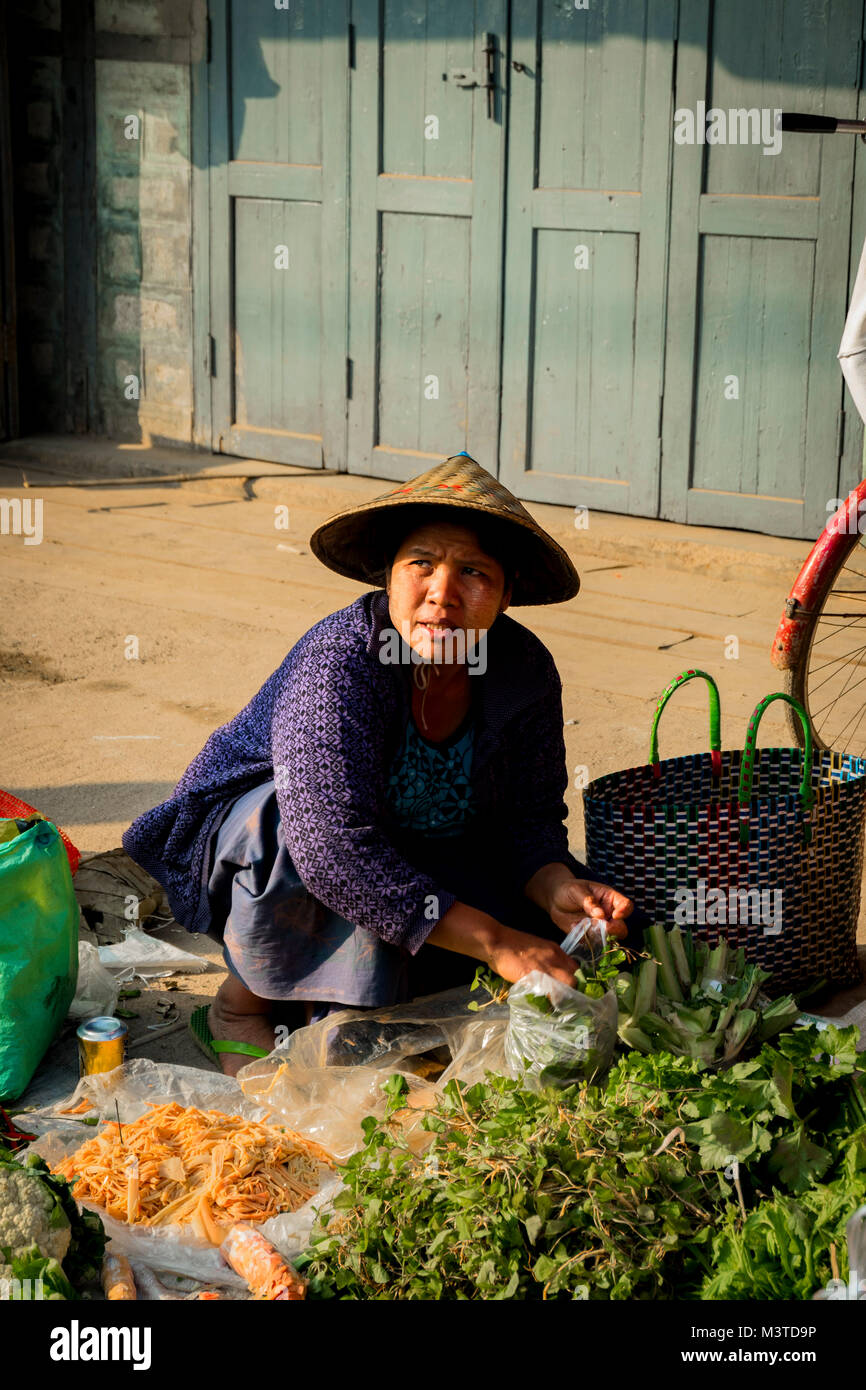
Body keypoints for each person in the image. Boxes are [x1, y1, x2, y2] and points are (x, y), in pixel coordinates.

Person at [122, 454, 637, 1075]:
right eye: (421, 564)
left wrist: (557, 886)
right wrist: (497, 943)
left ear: (506, 594)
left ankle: (337, 990)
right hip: (273, 844)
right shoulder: (342, 661)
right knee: (296, 832)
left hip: (417, 838)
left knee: (553, 944)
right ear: (387, 578)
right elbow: (333, 850)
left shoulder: (522, 669)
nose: (442, 595)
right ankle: (242, 1004)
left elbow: (527, 820)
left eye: (473, 572)